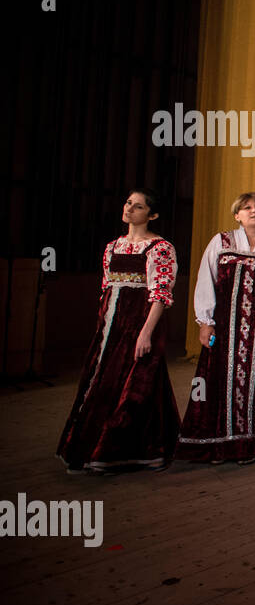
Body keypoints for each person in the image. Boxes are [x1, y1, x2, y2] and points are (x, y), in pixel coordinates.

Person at [58, 189, 179, 474]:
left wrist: (146, 333)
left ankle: (121, 451)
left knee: (134, 385)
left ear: (152, 215)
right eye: (128, 203)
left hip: (139, 323)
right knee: (103, 382)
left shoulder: (160, 247)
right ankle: (91, 447)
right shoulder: (113, 246)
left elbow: (161, 294)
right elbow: (106, 289)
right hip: (110, 326)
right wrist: (103, 325)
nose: (129, 209)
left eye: (138, 206)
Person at [177, 191, 255, 464]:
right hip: (225, 327)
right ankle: (218, 443)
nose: (254, 211)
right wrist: (205, 321)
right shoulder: (222, 241)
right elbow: (206, 279)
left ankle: (253, 443)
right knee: (218, 379)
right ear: (237, 215)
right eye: (247, 207)